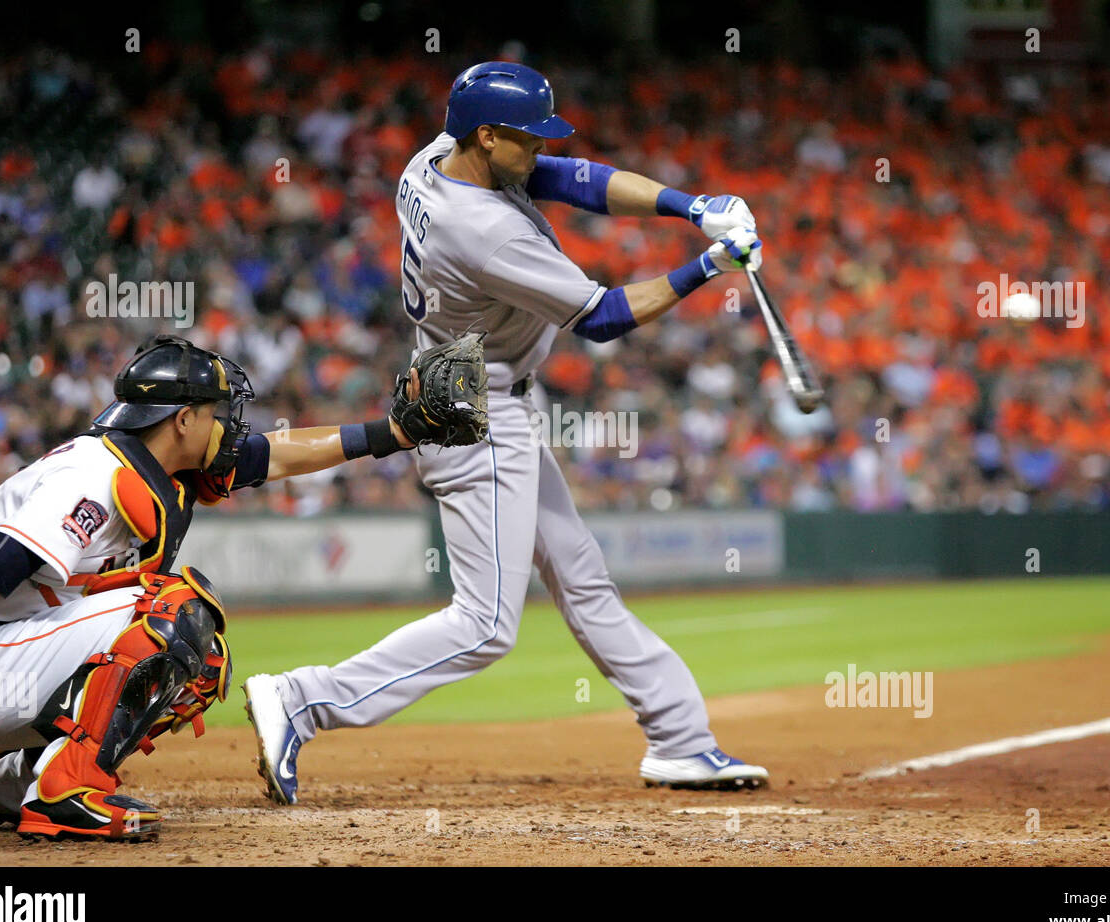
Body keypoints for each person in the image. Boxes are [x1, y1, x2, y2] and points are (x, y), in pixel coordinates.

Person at [243, 61, 769, 805]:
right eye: (527, 137)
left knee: (582, 578)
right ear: (487, 136)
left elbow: (570, 179)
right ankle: (303, 699)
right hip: (476, 415)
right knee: (486, 624)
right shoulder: (482, 231)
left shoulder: (435, 158)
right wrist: (709, 265)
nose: (541, 149)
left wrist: (693, 205)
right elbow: (603, 318)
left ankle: (681, 740)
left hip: (472, 387)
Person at [0, 332, 485, 839]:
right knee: (176, 613)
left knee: (204, 661)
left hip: (9, 663)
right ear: (182, 420)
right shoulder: (91, 472)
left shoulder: (160, 467)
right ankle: (64, 789)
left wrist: (394, 433)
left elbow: (277, 453)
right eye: (217, 413)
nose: (229, 425)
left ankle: (8, 785)